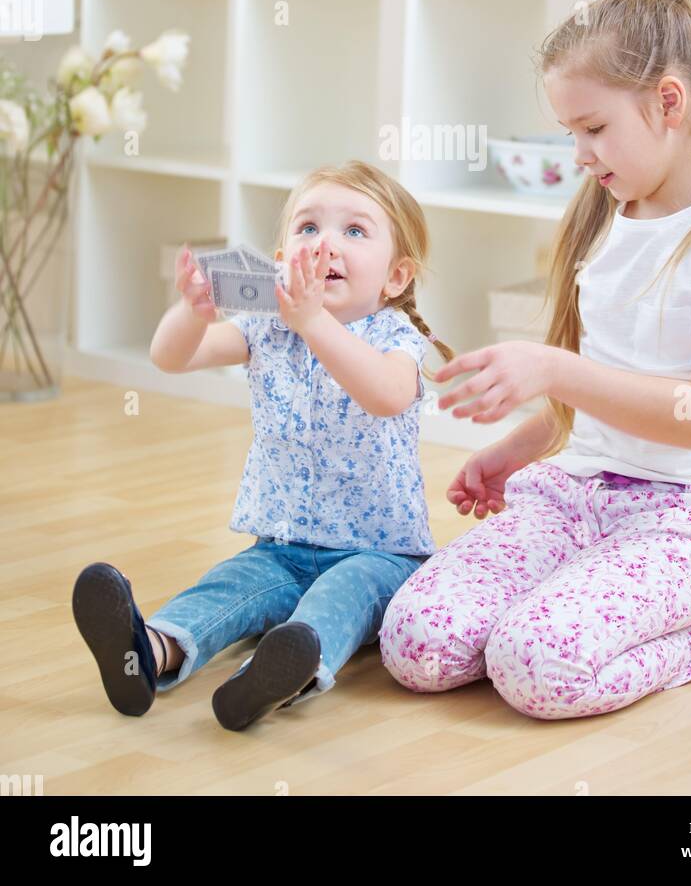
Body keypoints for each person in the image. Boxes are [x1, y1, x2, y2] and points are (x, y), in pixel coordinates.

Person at [380, 0, 691, 720]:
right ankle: (582, 600)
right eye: (569, 132)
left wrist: (552, 366)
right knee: (417, 645)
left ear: (668, 102)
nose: (579, 153)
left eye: (593, 128)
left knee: (534, 665)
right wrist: (518, 448)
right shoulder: (610, 214)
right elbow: (607, 390)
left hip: (690, 516)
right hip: (582, 494)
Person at [72, 161, 453, 730]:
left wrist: (313, 323)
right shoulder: (265, 326)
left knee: (339, 600)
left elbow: (387, 395)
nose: (325, 243)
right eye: (307, 228)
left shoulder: (393, 336)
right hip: (280, 544)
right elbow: (171, 358)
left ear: (395, 277)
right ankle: (149, 651)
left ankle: (275, 674)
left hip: (380, 553)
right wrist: (192, 313)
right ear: (281, 261)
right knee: (227, 589)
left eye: (354, 231)